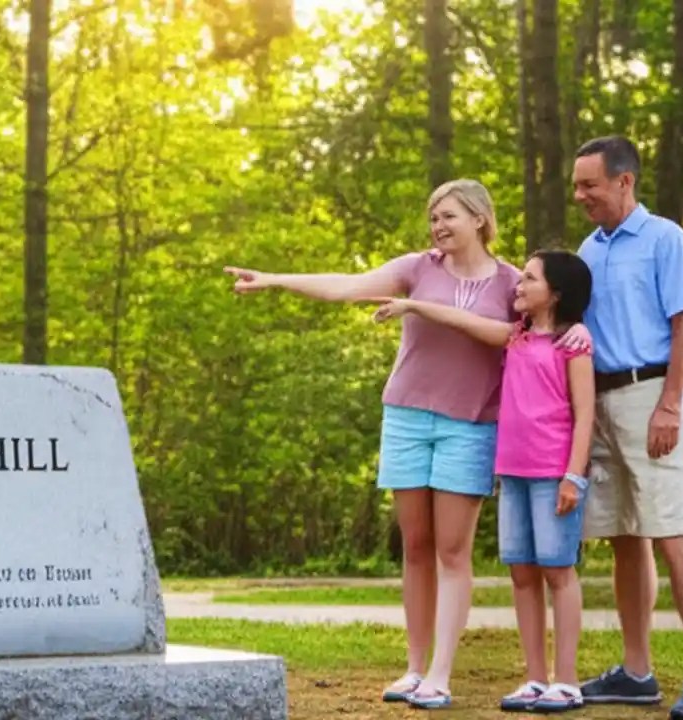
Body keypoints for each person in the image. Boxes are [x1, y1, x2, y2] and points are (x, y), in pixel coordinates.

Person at [225, 179, 585, 709]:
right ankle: (414, 668)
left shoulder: (512, 283)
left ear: (480, 219)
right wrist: (275, 279)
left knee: (453, 551)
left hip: (469, 425)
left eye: (448, 216)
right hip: (407, 419)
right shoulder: (418, 268)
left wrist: (581, 331)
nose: (437, 226)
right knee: (415, 548)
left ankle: (441, 674)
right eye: (433, 217)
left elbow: (534, 326)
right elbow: (347, 285)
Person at [370, 249, 596, 713]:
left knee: (557, 570)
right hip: (512, 474)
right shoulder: (513, 338)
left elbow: (585, 412)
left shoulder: (573, 345)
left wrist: (574, 474)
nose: (518, 285)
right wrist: (412, 305)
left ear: (554, 293)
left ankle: (567, 680)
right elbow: (459, 320)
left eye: (529, 279)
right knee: (521, 574)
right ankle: (535, 678)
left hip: (554, 475)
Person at [569, 135, 683, 719]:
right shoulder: (589, 249)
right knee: (624, 538)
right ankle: (636, 672)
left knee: (671, 530)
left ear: (624, 181)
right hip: (602, 402)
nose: (580, 195)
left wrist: (669, 404)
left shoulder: (666, 240)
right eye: (576, 185)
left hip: (651, 396)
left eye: (589, 184)